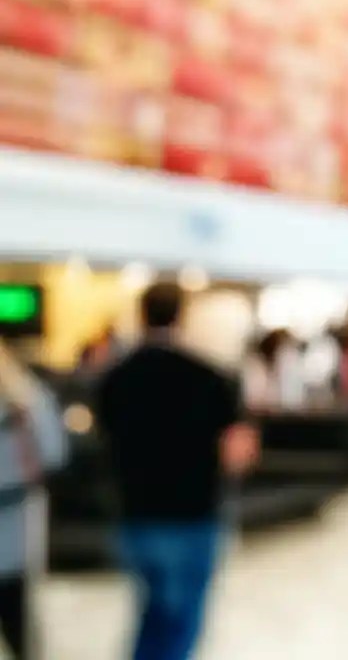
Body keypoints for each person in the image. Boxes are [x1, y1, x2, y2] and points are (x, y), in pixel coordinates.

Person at [96, 283, 259, 660]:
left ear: (141, 314)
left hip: (135, 515)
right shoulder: (210, 377)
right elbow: (238, 453)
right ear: (182, 316)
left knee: (151, 614)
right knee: (183, 621)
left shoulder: (116, 377)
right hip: (192, 516)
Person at [0, 342, 66, 659]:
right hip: (16, 528)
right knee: (20, 629)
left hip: (15, 523)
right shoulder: (26, 398)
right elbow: (54, 453)